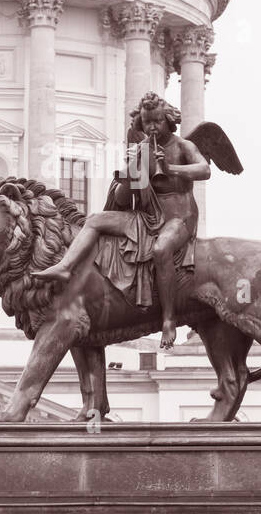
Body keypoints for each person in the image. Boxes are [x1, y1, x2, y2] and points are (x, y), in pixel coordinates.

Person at [34, 93, 211, 350]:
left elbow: (204, 170)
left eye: (157, 122)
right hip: (149, 216)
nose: (152, 127)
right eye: (147, 122)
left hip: (179, 215)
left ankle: (169, 318)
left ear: (168, 121)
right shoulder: (142, 150)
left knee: (162, 249)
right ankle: (65, 265)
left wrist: (170, 169)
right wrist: (131, 173)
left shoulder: (183, 146)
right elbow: (125, 198)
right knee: (94, 220)